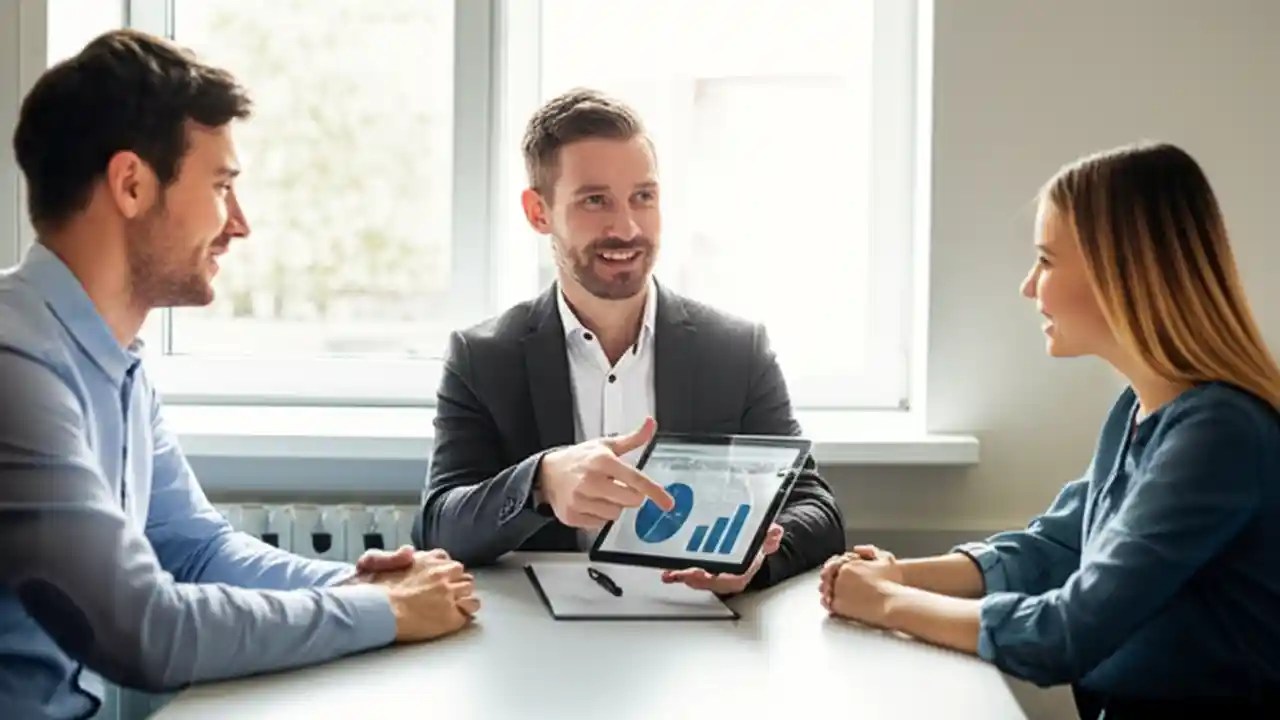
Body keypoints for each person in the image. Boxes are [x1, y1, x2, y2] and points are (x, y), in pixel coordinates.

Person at [0, 30, 478, 720]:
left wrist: (360, 583)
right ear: (131, 184)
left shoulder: (113, 357)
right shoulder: (17, 366)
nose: (241, 225)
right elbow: (146, 632)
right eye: (222, 186)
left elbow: (196, 551)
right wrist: (379, 611)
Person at [820, 142, 1280, 716]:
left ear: (1122, 271)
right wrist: (896, 574)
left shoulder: (1220, 435)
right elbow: (1054, 547)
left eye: (1046, 260)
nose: (1029, 286)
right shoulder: (1138, 414)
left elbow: (1065, 632)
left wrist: (889, 602)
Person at [413, 88, 845, 594]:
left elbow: (817, 509)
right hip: (540, 639)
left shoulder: (736, 351)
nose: (627, 227)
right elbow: (437, 528)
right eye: (595, 200)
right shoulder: (482, 357)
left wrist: (753, 562)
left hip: (695, 636)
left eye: (644, 196)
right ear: (538, 212)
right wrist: (541, 483)